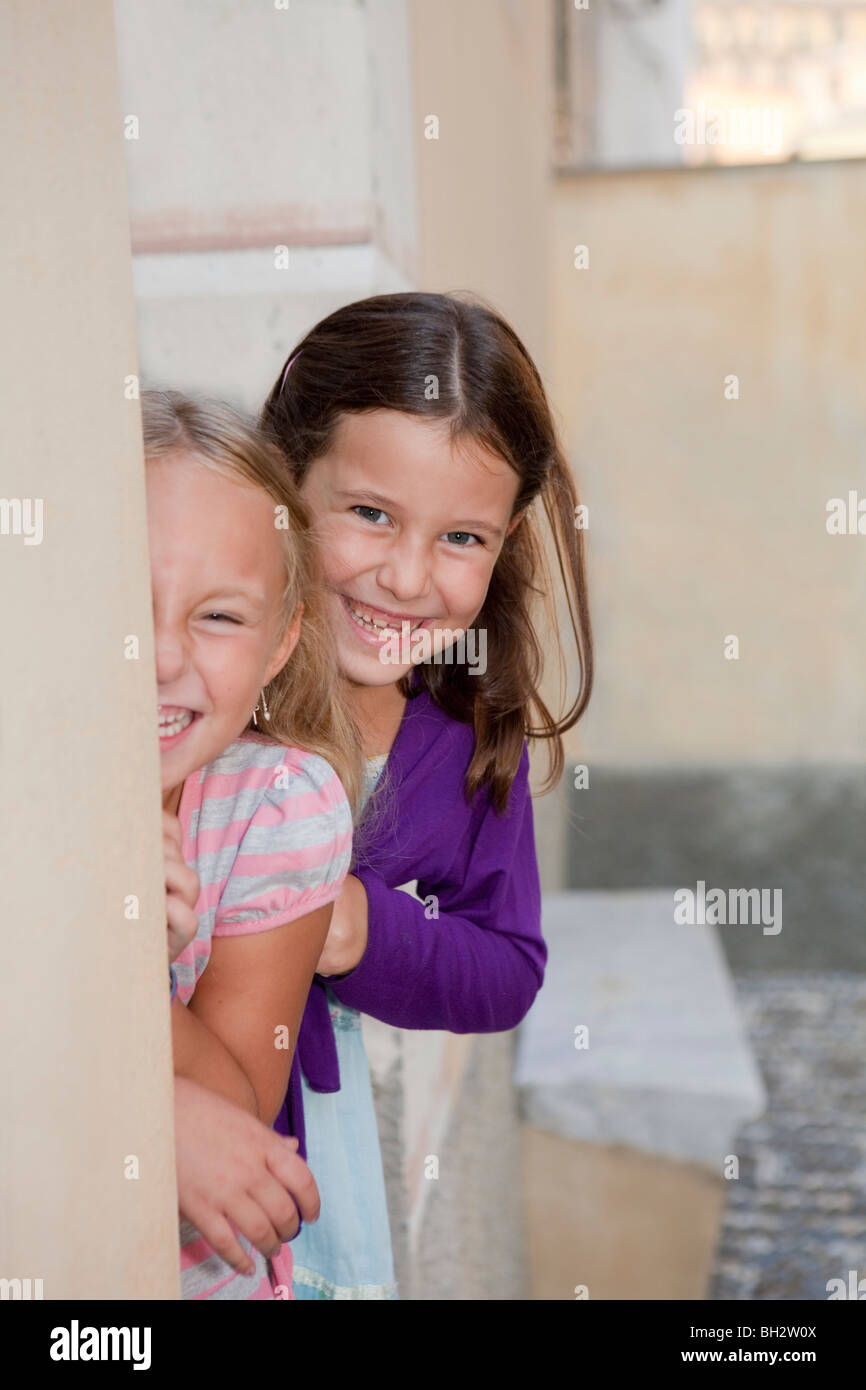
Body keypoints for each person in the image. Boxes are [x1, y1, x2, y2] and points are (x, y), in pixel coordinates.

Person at [259, 291, 594, 1299]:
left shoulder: (458, 732)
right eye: (369, 514)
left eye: (461, 539)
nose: (407, 577)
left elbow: (507, 964)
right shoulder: (214, 692)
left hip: (325, 1174)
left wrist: (358, 930)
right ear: (285, 484)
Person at [144, 389, 360, 1298]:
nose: (160, 657)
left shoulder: (274, 807)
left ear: (280, 644)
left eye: (220, 617)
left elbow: (237, 1112)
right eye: (121, 602)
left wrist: (129, 985)